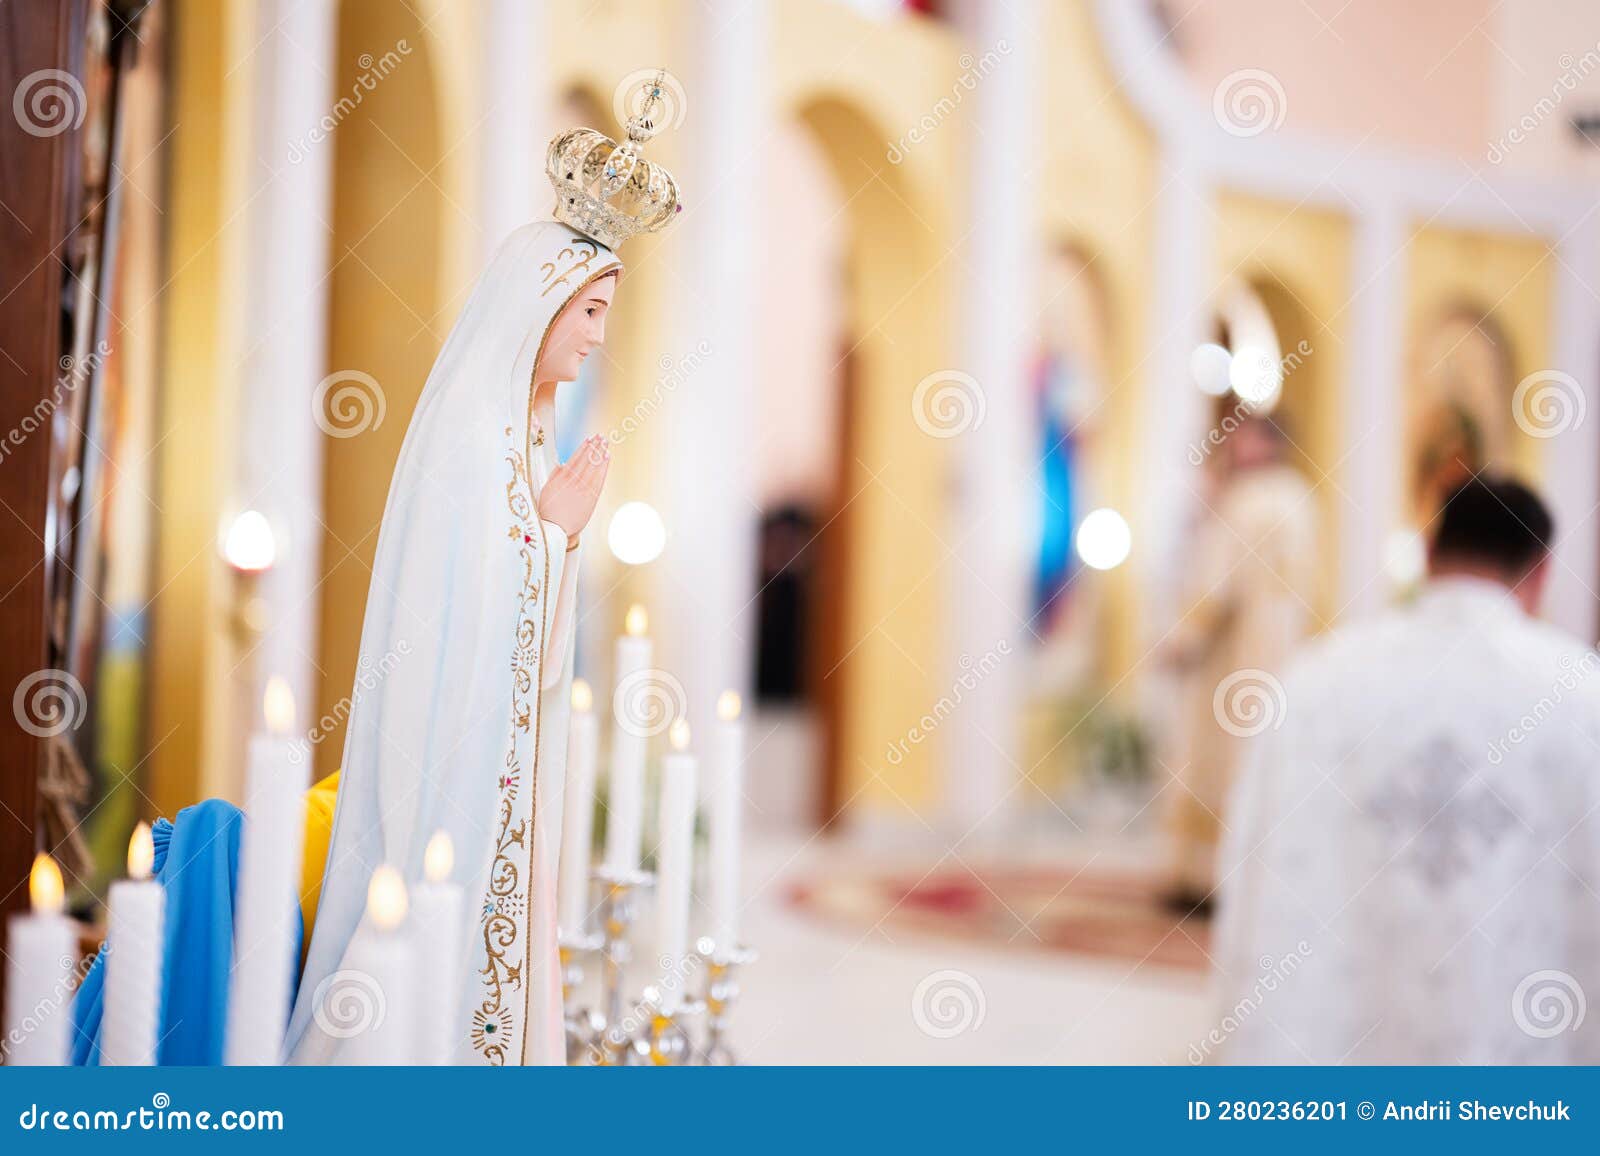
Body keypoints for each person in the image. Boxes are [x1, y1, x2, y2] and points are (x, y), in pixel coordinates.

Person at [285, 93, 683, 1065]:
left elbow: (511, 589)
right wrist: (551, 537)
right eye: (590, 311)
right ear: (537, 304)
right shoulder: (470, 439)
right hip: (451, 752)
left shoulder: (522, 431)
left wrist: (553, 542)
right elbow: (454, 613)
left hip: (496, 757)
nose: (597, 336)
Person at [1212, 475, 1600, 1063]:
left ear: (1427, 552)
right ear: (1542, 571)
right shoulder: (1580, 695)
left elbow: (1253, 875)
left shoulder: (1316, 681)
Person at [1164, 415, 1317, 909]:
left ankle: (1204, 877)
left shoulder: (1244, 501)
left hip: (1231, 657)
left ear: (1265, 444)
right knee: (1263, 761)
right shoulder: (1301, 499)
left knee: (1219, 762)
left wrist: (1180, 638)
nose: (1232, 447)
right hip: (1281, 657)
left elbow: (1215, 585)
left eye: (1240, 438)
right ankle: (1258, 877)